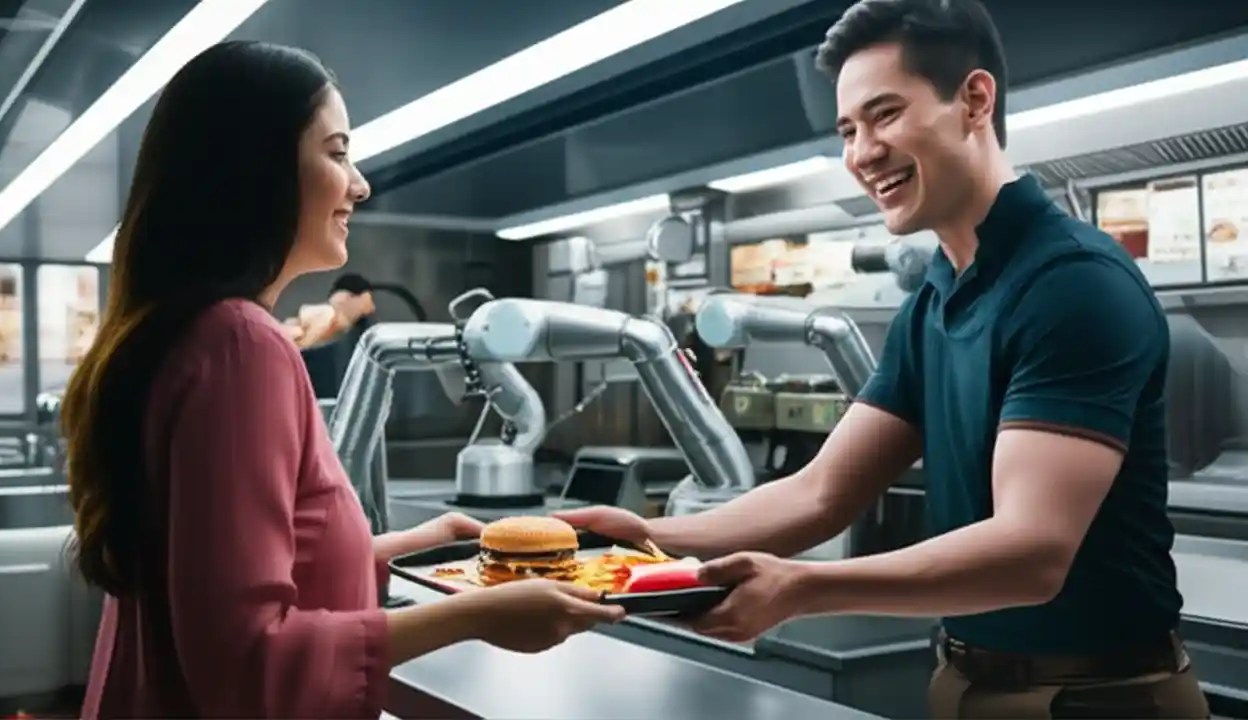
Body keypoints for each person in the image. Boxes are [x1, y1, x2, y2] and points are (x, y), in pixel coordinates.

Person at [556, 1, 1210, 717]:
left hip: (1100, 697)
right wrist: (646, 538)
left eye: (886, 114)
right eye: (848, 130)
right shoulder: (934, 302)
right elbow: (821, 494)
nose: (862, 152)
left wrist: (804, 588)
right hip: (968, 681)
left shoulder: (1072, 282)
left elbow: (1032, 552)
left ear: (974, 100)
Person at [60, 41, 623, 720]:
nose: (360, 183)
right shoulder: (242, 345)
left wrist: (413, 545)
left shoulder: (179, 336)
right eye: (336, 152)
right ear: (257, 167)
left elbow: (223, 581)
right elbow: (245, 662)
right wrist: (478, 614)